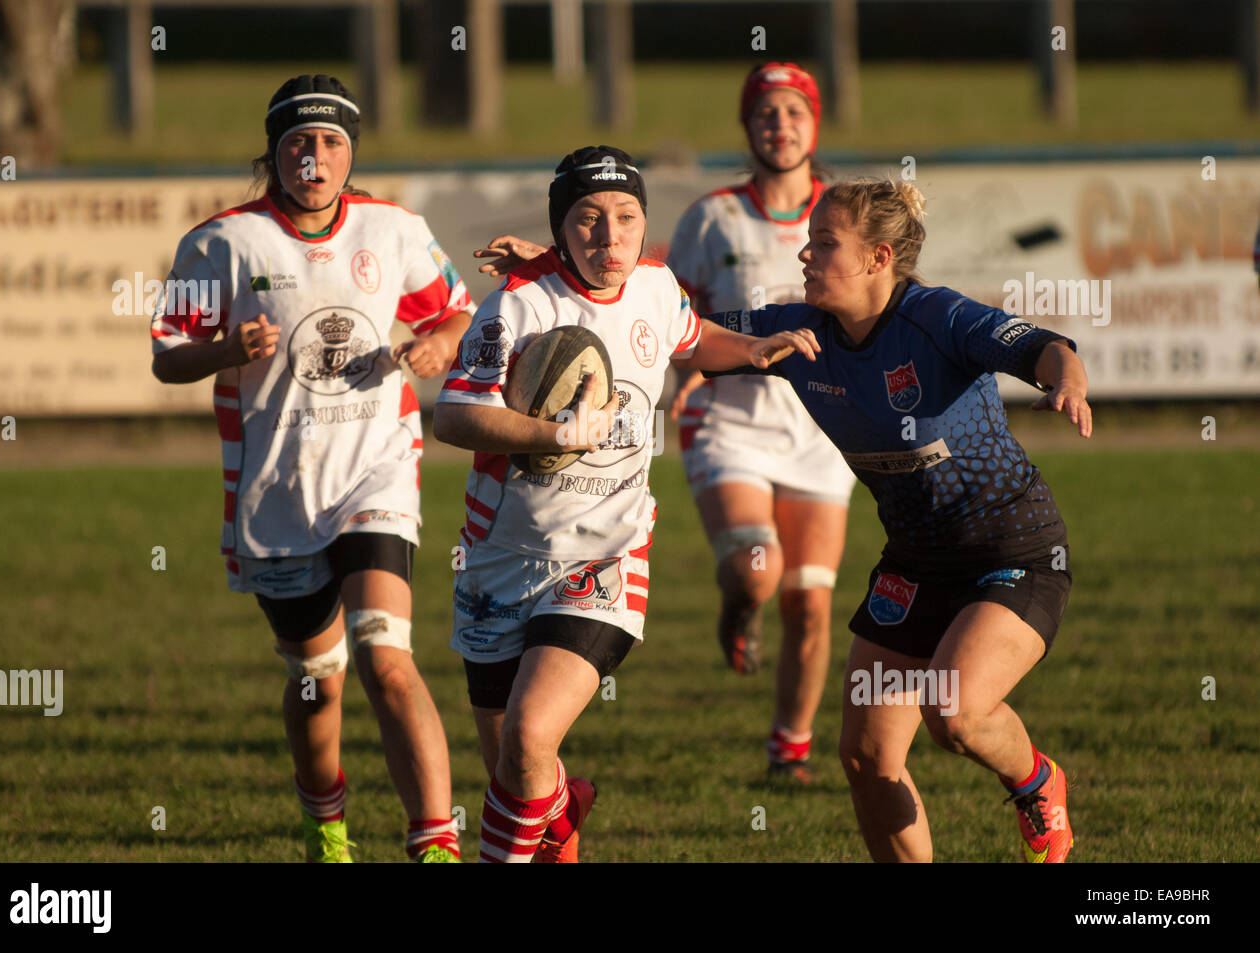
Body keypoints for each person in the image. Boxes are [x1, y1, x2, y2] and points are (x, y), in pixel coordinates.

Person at [434, 145, 819, 862]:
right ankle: (561, 806)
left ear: (645, 224)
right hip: (497, 560)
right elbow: (453, 416)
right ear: (560, 227)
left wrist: (757, 348)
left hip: (605, 560)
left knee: (527, 739)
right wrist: (554, 434)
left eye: (625, 216)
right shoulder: (519, 302)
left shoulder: (655, 285)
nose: (608, 236)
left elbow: (693, 337)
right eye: (587, 219)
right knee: (515, 774)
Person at [708, 178, 1089, 862]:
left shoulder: (936, 318)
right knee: (865, 755)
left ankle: (1037, 780)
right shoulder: (802, 335)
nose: (804, 255)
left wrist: (1067, 379)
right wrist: (575, 282)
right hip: (916, 563)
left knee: (956, 712)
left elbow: (1041, 346)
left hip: (1013, 552)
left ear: (880, 257)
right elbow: (682, 333)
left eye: (825, 244)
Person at [150, 74, 472, 863]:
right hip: (279, 494)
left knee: (384, 655)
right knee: (317, 679)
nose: (314, 156)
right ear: (274, 153)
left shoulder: (394, 230)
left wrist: (438, 343)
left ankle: (436, 842)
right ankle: (325, 821)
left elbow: (459, 310)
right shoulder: (220, 243)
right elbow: (166, 357)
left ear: (350, 152)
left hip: (377, 474)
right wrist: (227, 349)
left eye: (330, 142)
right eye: (298, 141)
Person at [666, 62, 856, 783]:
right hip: (730, 423)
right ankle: (738, 607)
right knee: (758, 570)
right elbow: (670, 311)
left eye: (794, 112)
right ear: (748, 128)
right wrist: (683, 372)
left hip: (819, 433)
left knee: (810, 602)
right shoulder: (713, 217)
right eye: (766, 113)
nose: (781, 125)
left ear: (815, 124)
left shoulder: (843, 215)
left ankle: (789, 753)